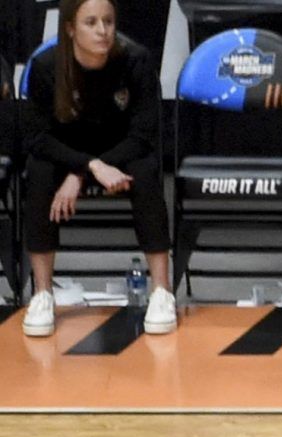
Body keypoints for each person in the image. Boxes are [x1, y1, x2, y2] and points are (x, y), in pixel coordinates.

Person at [20, 0, 176, 339]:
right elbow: (38, 139)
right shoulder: (46, 67)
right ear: (71, 28)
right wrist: (85, 167)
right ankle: (43, 294)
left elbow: (144, 135)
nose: (103, 31)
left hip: (120, 153)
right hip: (68, 154)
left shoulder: (135, 61)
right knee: (40, 170)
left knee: (147, 169)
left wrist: (87, 172)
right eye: (91, 22)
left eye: (108, 21)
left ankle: (162, 292)